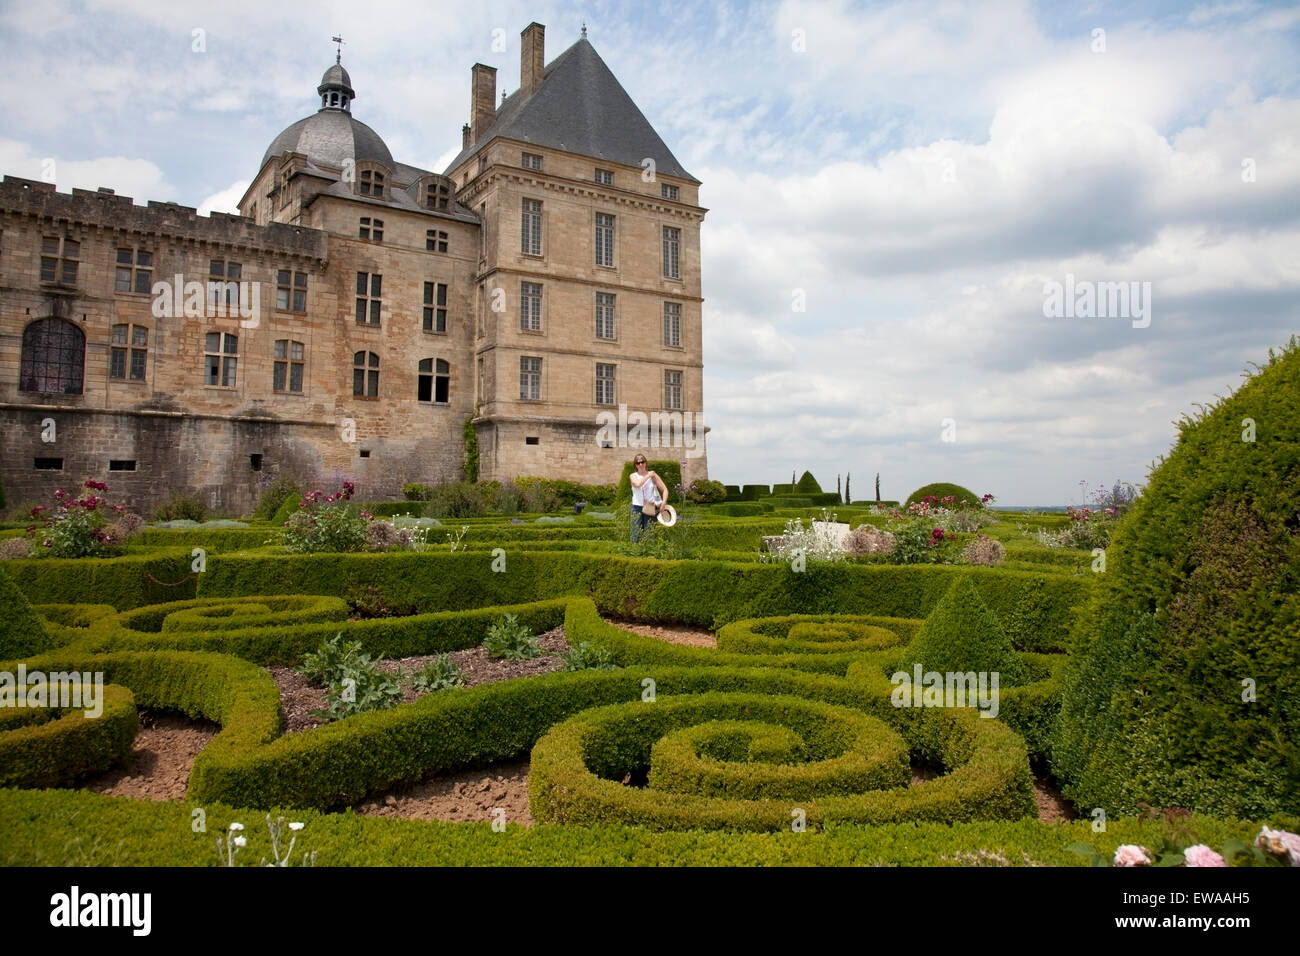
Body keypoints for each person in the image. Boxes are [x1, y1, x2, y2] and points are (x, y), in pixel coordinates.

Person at [629, 455, 669, 542]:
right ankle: (635, 554)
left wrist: (663, 503)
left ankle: (648, 554)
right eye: (638, 462)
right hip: (637, 507)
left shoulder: (653, 475)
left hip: (650, 507)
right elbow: (638, 484)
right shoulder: (633, 475)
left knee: (649, 534)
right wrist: (648, 475)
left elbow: (665, 490)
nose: (640, 464)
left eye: (642, 462)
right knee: (635, 534)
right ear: (635, 465)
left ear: (645, 463)